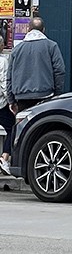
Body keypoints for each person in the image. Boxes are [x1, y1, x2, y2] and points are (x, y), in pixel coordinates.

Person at [7, 17, 65, 119]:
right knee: (43, 126)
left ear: (28, 30)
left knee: (24, 128)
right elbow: (59, 71)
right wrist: (57, 94)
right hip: (45, 95)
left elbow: (9, 77)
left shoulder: (16, 50)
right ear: (43, 30)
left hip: (22, 98)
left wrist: (11, 100)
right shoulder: (51, 46)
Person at [0, 35, 15, 176]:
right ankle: (4, 158)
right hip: (1, 104)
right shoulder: (3, 61)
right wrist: (10, 101)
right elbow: (4, 83)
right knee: (13, 127)